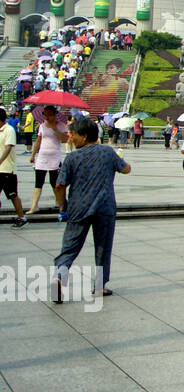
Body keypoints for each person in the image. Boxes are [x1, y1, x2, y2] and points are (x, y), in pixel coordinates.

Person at [53, 118, 130, 301]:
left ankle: (59, 277)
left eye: (73, 134)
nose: (70, 138)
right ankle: (100, 286)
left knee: (70, 247)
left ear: (84, 136)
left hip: (79, 208)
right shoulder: (108, 152)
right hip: (105, 208)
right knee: (103, 248)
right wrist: (119, 159)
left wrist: (61, 205)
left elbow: (59, 185)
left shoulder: (72, 157)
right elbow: (126, 169)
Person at [28, 105, 68, 216]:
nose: (47, 117)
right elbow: (38, 141)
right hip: (42, 156)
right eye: (45, 114)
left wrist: (55, 129)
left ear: (55, 115)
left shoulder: (61, 126)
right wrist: (33, 155)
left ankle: (60, 204)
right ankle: (34, 206)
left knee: (54, 182)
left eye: (49, 115)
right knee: (38, 182)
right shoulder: (42, 126)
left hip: (54, 156)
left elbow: (65, 140)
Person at [0, 107, 29, 228]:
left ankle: (22, 217)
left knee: (12, 195)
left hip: (7, 170)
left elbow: (8, 148)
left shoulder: (9, 130)